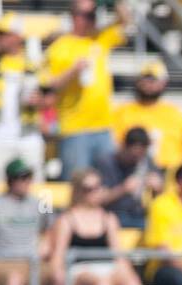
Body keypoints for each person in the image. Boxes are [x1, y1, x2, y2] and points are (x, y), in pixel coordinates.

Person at [40, 0, 132, 176]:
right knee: (76, 183)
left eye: (94, 14)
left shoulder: (99, 38)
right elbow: (48, 85)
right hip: (75, 128)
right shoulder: (60, 47)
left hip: (104, 125)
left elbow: (125, 20)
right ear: (75, 16)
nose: (92, 19)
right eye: (88, 15)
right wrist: (73, 71)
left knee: (106, 181)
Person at [46, 167, 142, 285]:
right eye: (89, 189)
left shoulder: (108, 218)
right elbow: (58, 256)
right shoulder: (66, 220)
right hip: (79, 269)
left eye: (98, 187)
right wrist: (58, 278)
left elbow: (119, 255)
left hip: (107, 268)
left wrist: (128, 274)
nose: (95, 192)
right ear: (78, 191)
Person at [112, 61, 182, 172]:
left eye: (153, 79)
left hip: (172, 171)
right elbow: (116, 145)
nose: (149, 83)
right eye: (146, 78)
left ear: (163, 82)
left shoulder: (176, 113)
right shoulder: (123, 112)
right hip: (134, 170)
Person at [0, 16, 45, 178]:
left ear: (17, 36)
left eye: (3, 33)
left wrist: (40, 100)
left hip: (28, 136)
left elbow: (50, 96)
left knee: (35, 187)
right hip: (0, 137)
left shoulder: (34, 62)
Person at [0, 158, 48, 285]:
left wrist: (45, 244)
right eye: (23, 177)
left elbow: (50, 230)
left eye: (29, 177)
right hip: (4, 261)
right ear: (10, 180)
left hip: (32, 261)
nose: (27, 181)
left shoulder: (40, 203)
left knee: (58, 276)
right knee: (14, 279)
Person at [94, 128, 162, 231]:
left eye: (141, 155)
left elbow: (161, 197)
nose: (137, 159)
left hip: (140, 215)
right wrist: (123, 189)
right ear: (124, 147)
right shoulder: (106, 163)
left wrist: (158, 189)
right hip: (113, 215)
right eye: (134, 155)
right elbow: (97, 199)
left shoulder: (146, 160)